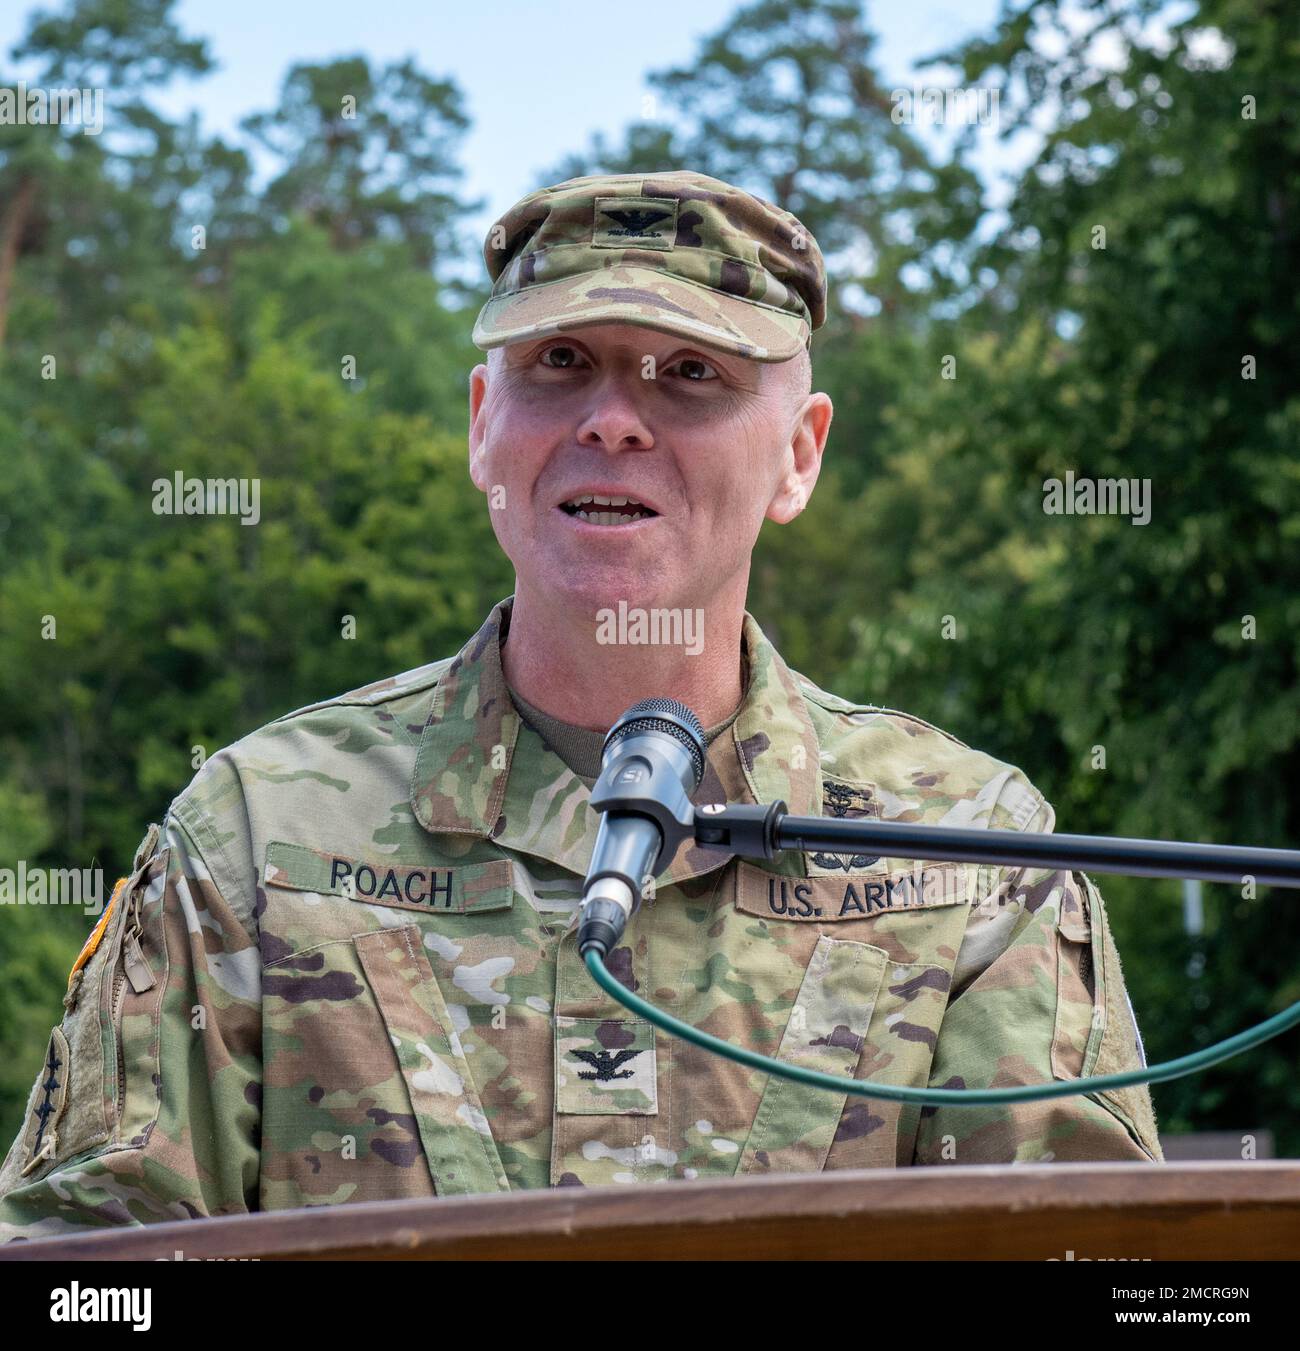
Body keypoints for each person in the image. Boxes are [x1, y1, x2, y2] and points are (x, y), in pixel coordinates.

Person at [0, 170, 1161, 1239]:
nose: (612, 419)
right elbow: (87, 1283)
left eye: (693, 373)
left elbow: (1088, 1272)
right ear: (479, 426)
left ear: (799, 457)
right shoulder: (261, 835)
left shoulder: (966, 855)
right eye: (559, 362)